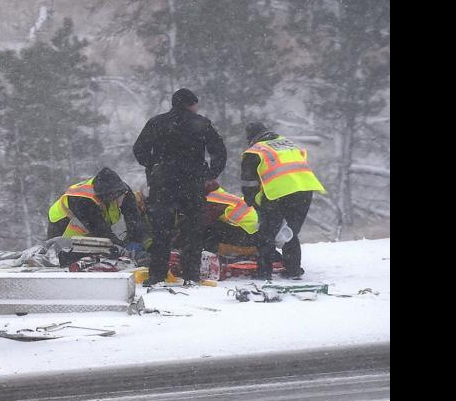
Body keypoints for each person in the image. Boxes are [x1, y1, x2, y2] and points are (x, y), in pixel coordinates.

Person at [133, 88, 227, 286]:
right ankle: (191, 275)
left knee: (161, 230)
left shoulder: (156, 122)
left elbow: (139, 149)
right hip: (193, 183)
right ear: (191, 104)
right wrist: (210, 174)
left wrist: (153, 165)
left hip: (163, 184)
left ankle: (157, 275)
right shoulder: (201, 123)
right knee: (193, 229)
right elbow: (219, 151)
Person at [242, 121, 326, 279]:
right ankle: (293, 270)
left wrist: (252, 201)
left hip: (280, 192)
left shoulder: (255, 152)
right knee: (289, 232)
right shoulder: (287, 143)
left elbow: (248, 185)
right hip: (305, 188)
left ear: (251, 138)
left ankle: (263, 273)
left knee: (266, 234)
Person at [45, 167, 146, 259]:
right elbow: (102, 232)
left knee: (100, 254)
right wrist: (123, 250)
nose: (119, 201)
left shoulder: (123, 190)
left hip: (89, 233)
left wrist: (135, 240)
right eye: (112, 198)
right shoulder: (82, 200)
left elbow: (134, 218)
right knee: (60, 258)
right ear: (103, 196)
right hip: (62, 226)